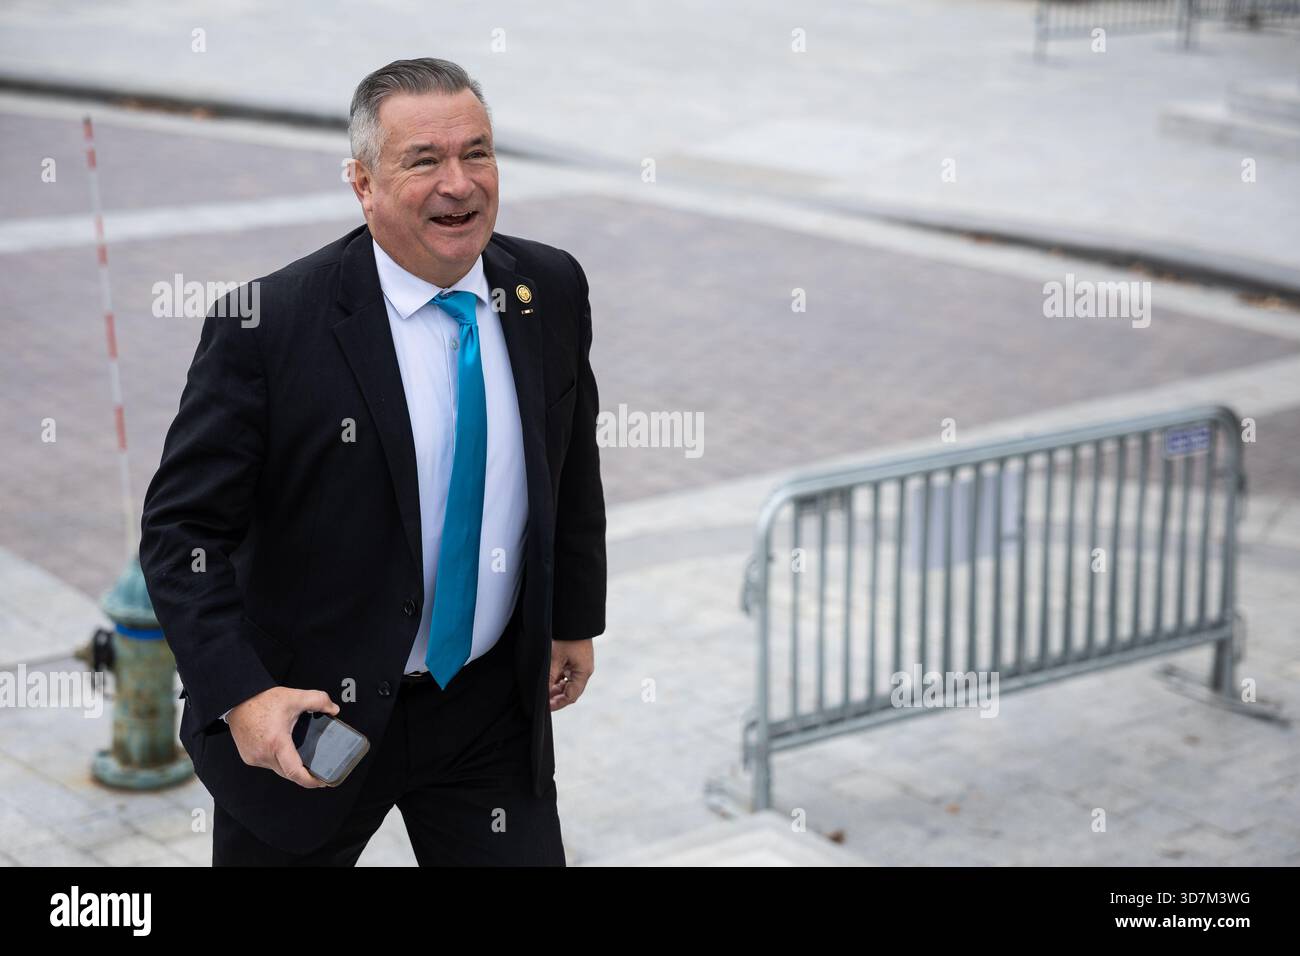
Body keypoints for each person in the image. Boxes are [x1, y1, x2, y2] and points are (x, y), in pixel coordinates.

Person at [138, 57, 606, 865]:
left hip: (487, 707)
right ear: (361, 184)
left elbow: (569, 464)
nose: (459, 185)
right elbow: (182, 532)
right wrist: (244, 696)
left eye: (478, 152)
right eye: (423, 160)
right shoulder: (268, 327)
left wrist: (573, 618)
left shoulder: (548, 289)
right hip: (311, 722)